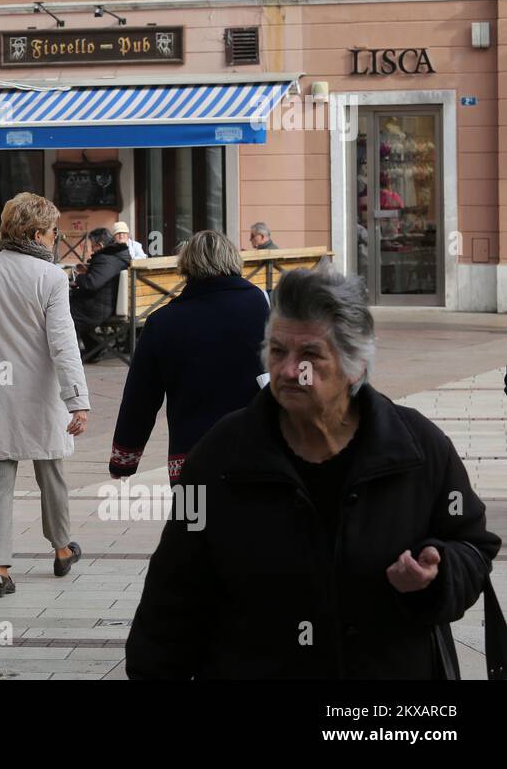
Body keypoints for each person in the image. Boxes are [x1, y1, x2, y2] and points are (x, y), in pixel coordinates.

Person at [126, 266, 501, 678]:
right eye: (277, 351)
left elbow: (473, 545)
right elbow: (172, 594)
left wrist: (439, 571)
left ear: (355, 364)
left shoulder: (416, 448)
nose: (288, 370)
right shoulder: (220, 455)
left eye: (309, 355)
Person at [0, 193, 90, 598]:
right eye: (52, 231)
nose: (55, 238)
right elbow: (63, 344)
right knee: (52, 472)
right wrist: (77, 399)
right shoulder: (51, 277)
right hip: (40, 393)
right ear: (35, 234)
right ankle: (62, 548)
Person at [109, 230, 270, 483]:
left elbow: (140, 398)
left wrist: (123, 460)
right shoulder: (262, 305)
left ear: (186, 266)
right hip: (257, 454)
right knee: (257, 522)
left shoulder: (162, 322)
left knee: (190, 521)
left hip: (191, 461)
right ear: (233, 260)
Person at [68, 227, 131, 357]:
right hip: (104, 303)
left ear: (100, 245)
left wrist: (79, 278)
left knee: (63, 315)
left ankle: (71, 356)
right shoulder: (116, 256)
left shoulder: (106, 259)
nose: (91, 250)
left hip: (98, 308)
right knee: (69, 307)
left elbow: (92, 283)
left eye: (92, 246)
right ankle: (94, 351)